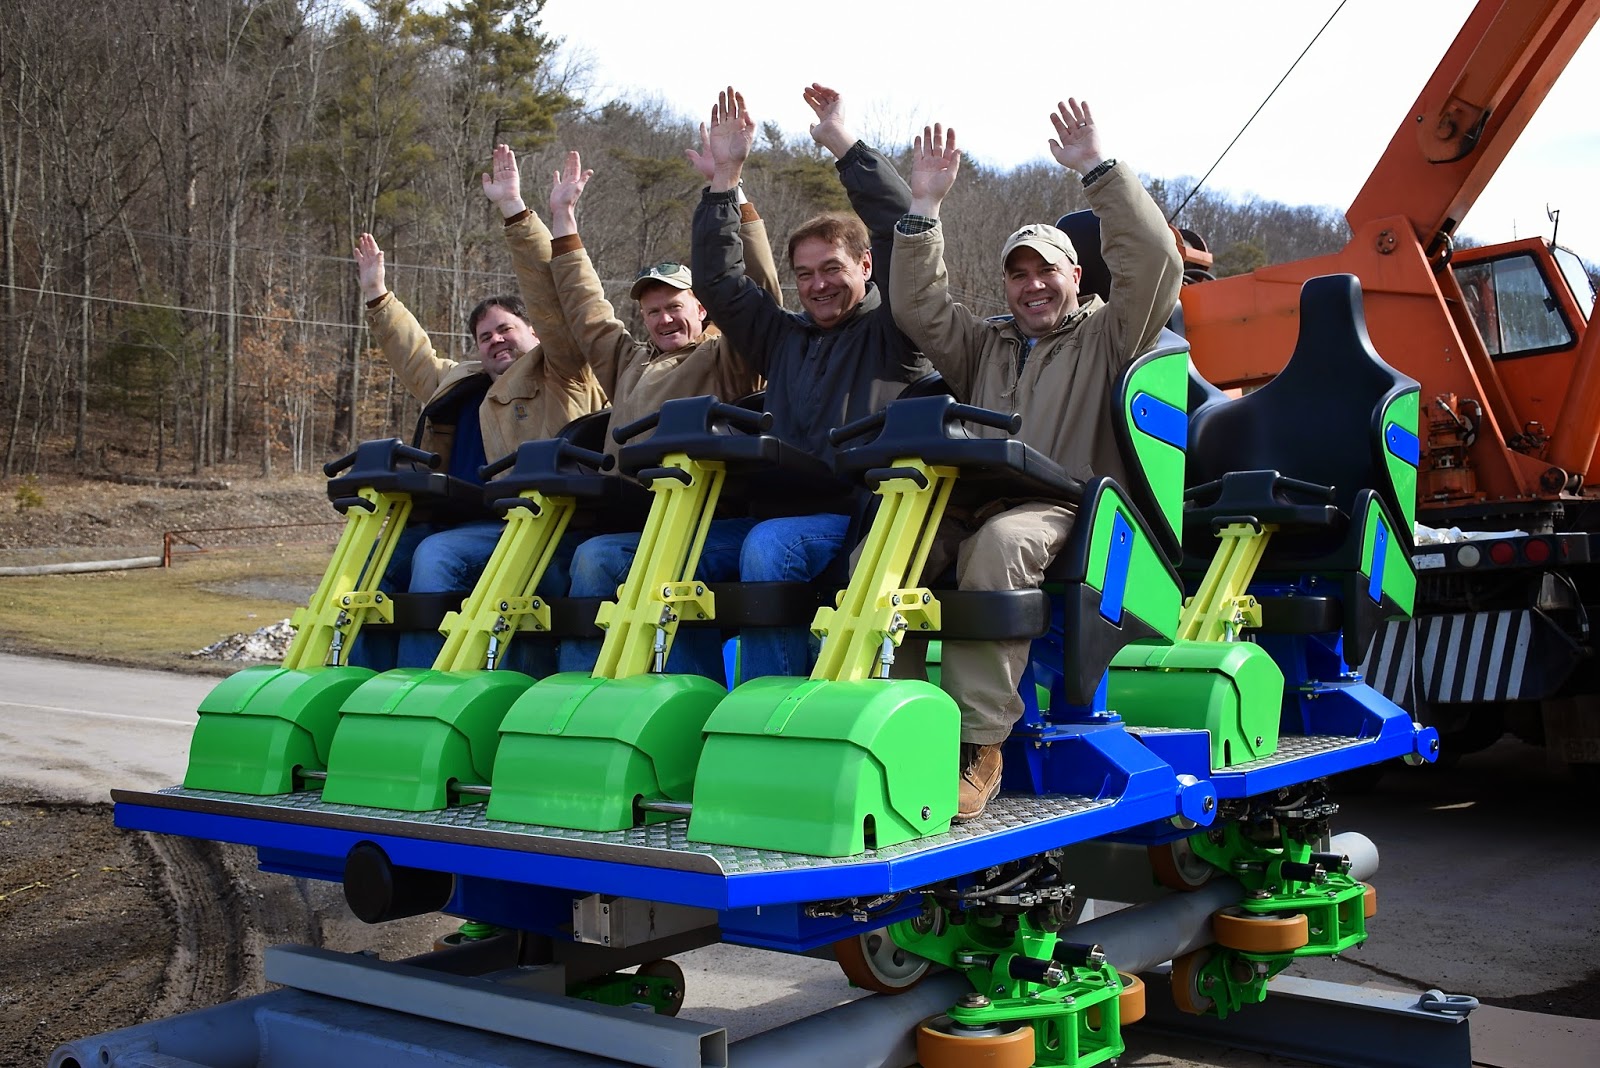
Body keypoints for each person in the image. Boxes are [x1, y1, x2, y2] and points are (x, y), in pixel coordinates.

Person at [889, 100, 1183, 820]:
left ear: (1076, 276)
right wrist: (924, 207)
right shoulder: (984, 345)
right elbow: (918, 307)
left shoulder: (1112, 336)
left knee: (998, 546)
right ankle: (885, 714)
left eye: (1046, 271)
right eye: (1018, 275)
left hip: (1063, 507)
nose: (1033, 286)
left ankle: (977, 744)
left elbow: (1156, 260)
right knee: (886, 546)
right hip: (978, 496)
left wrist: (1097, 169)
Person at [691, 84, 929, 681]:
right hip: (770, 510)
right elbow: (719, 285)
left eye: (832, 270)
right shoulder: (783, 337)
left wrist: (843, 145)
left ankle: (771, 709)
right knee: (647, 558)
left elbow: (906, 229)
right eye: (804, 275)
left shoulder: (897, 329)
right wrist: (724, 180)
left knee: (768, 549)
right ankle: (691, 701)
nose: (817, 285)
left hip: (853, 518)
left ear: (866, 266)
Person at [529, 142, 782, 678]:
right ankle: (579, 695)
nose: (664, 320)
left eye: (674, 307)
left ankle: (680, 698)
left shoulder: (728, 356)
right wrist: (563, 224)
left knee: (601, 559)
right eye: (652, 311)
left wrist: (732, 192)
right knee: (557, 558)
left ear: (703, 307)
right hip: (635, 511)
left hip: (707, 516)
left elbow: (759, 291)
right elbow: (587, 312)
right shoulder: (628, 362)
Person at [350, 144, 606, 672]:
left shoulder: (563, 369)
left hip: (536, 524)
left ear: (533, 332)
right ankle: (360, 682)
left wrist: (516, 211)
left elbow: (552, 299)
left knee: (436, 557)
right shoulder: (461, 383)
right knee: (377, 559)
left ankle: (422, 684)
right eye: (485, 336)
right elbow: (412, 353)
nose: (495, 341)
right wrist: (378, 296)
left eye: (506, 329)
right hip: (463, 520)